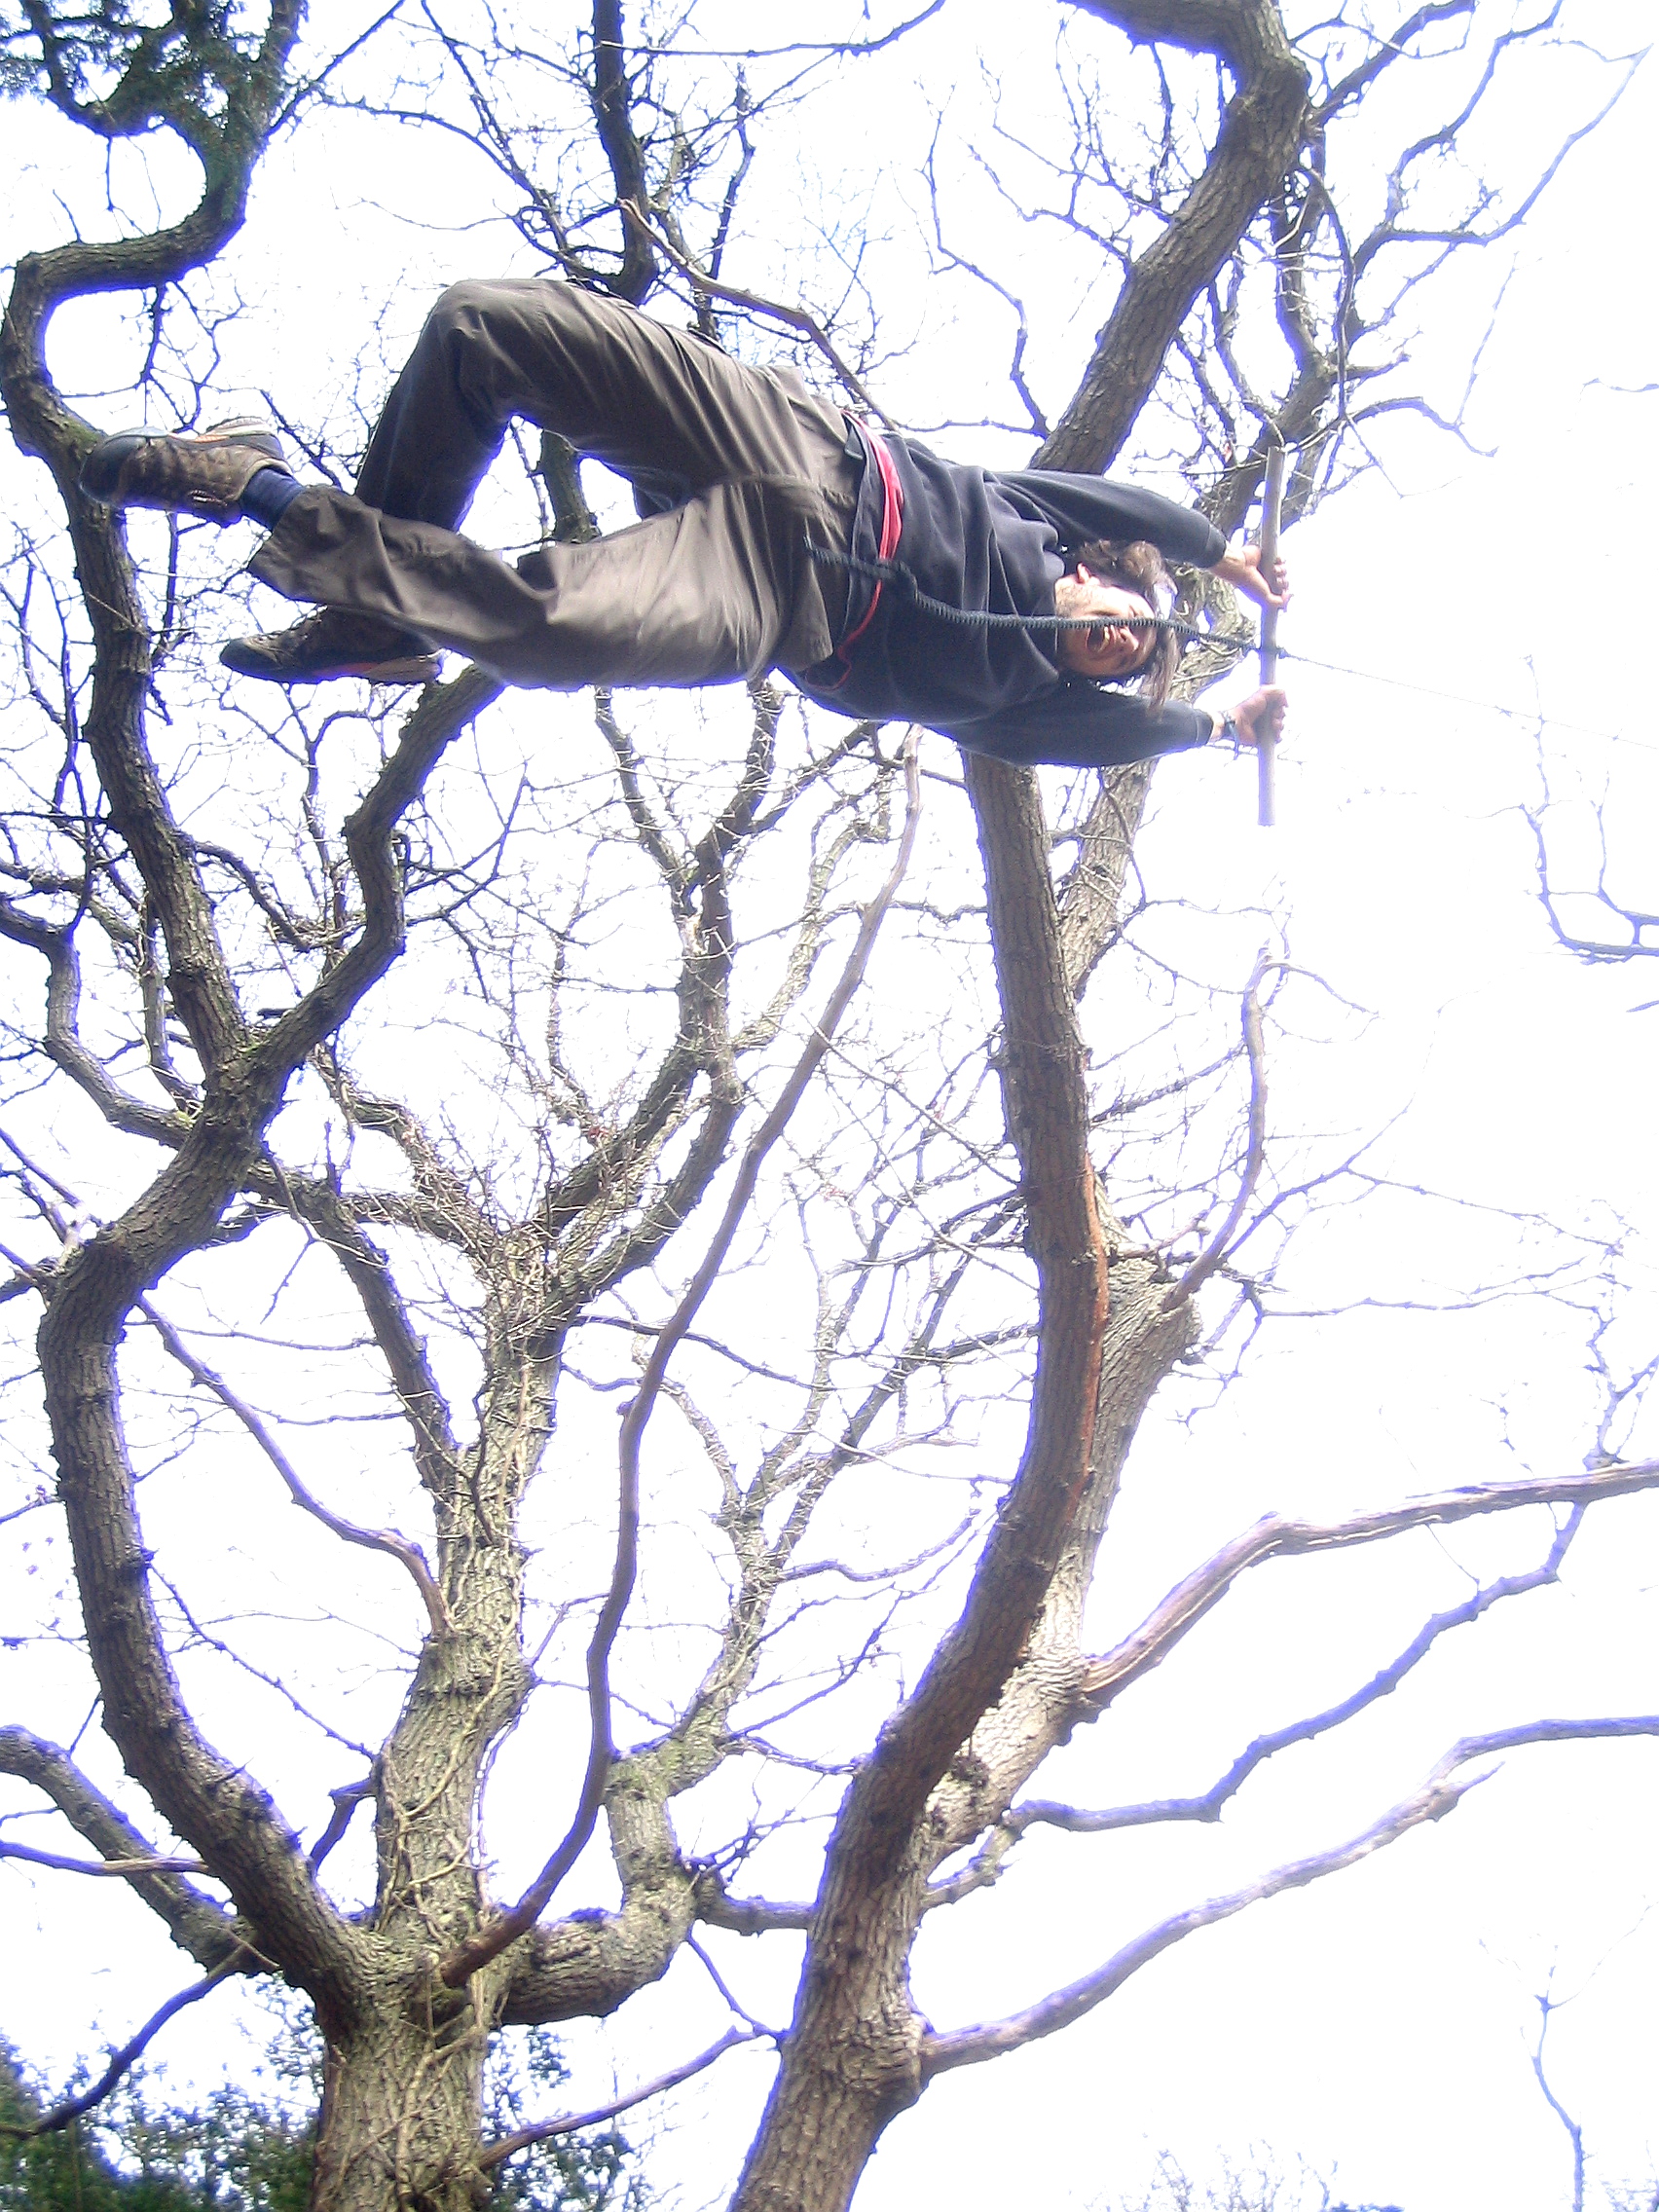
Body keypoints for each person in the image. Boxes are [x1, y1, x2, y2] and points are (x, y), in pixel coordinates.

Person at [81, 278, 1288, 768]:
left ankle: (258, 490)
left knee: (551, 636)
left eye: (1130, 662)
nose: (1127, 643)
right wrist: (1215, 551)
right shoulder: (1032, 519)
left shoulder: (1026, 702)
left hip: (775, 595)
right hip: (802, 449)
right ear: (1095, 577)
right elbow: (1124, 503)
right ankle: (364, 615)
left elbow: (1116, 743)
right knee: (481, 328)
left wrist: (1218, 730)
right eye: (1133, 620)